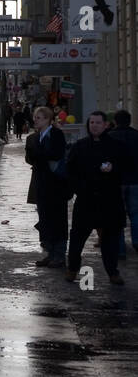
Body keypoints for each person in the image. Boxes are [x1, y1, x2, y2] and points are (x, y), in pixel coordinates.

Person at [64, 110, 130, 285]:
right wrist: (78, 188)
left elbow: (127, 167)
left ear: (105, 125)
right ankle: (72, 269)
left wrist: (113, 169)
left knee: (110, 240)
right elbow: (70, 170)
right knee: (77, 238)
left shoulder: (116, 146)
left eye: (98, 122)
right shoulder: (80, 146)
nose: (94, 126)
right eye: (91, 122)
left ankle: (112, 272)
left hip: (109, 200)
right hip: (86, 199)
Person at [25, 105, 70, 268]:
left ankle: (59, 255)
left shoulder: (56, 134)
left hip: (56, 185)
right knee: (44, 220)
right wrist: (38, 155)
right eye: (35, 118)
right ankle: (50, 253)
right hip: (41, 184)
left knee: (58, 220)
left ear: (47, 119)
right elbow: (29, 158)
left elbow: (56, 154)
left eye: (38, 118)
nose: (35, 120)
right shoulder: (34, 137)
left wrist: (38, 155)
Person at [109, 109, 138, 259]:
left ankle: (120, 249)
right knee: (135, 214)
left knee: (117, 216)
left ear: (115, 121)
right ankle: (137, 242)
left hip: (116, 181)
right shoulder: (136, 135)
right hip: (135, 180)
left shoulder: (109, 137)